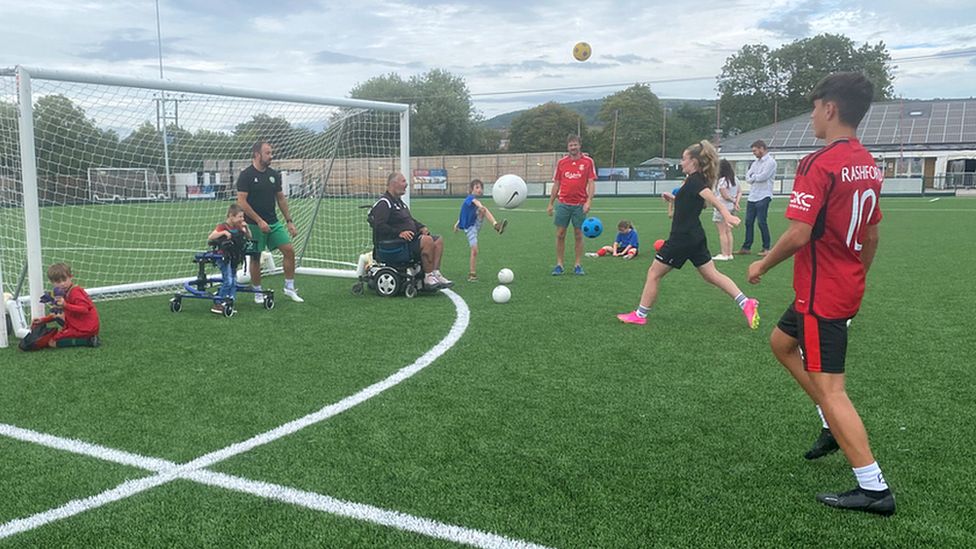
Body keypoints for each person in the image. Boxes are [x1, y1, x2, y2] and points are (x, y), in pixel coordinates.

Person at [747, 72, 894, 516]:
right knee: (781, 343)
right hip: (842, 284)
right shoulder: (868, 163)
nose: (811, 116)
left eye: (814, 107)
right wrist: (856, 278)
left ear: (830, 108)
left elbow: (798, 233)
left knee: (832, 388)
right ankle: (831, 424)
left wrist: (761, 264)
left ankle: (873, 488)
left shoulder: (819, 163)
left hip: (821, 291)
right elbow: (872, 236)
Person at [616, 140, 759, 329]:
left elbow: (712, 199)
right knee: (711, 275)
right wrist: (674, 199)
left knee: (654, 273)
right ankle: (746, 302)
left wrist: (726, 215)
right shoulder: (696, 180)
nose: (681, 162)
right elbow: (693, 203)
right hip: (695, 236)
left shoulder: (694, 181)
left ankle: (640, 315)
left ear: (694, 161)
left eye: (684, 159)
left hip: (682, 238)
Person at [236, 140, 303, 304]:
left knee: (289, 251)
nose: (271, 156)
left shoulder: (273, 175)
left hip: (273, 222)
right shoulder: (246, 175)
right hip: (253, 225)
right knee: (255, 258)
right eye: (267, 153)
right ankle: (258, 292)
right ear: (257, 154)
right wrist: (259, 221)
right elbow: (242, 202)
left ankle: (289, 287)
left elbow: (281, 198)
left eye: (271, 153)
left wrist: (289, 221)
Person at [370, 172, 452, 289]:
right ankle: (428, 277)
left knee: (438, 240)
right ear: (393, 184)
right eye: (403, 181)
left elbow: (409, 220)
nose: (406, 184)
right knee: (427, 241)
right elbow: (379, 225)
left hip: (407, 242)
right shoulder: (384, 203)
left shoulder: (399, 203)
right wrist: (399, 233)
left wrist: (421, 227)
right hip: (395, 245)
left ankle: (435, 273)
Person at [19, 263, 99, 350]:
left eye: (64, 280)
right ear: (52, 282)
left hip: (86, 327)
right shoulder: (62, 293)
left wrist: (65, 305)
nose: (62, 284)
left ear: (71, 277)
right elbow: (58, 313)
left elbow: (85, 309)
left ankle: (88, 341)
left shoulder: (75, 292)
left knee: (52, 343)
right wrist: (43, 320)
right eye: (58, 282)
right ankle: (75, 333)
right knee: (59, 319)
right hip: (78, 322)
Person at [547, 134, 596, 276]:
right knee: (560, 234)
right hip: (563, 203)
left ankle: (578, 265)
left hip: (580, 204)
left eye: (575, 144)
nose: (573, 147)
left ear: (580, 145)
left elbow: (591, 182)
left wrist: (589, 201)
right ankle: (559, 265)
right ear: (567, 147)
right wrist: (550, 203)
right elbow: (557, 183)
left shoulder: (588, 162)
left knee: (578, 235)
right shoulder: (562, 163)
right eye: (570, 145)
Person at [453, 178, 507, 282]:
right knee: (474, 251)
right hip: (470, 228)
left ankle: (496, 225)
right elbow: (473, 204)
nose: (480, 189)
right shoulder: (470, 198)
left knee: (483, 210)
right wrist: (457, 224)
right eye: (477, 187)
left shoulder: (473, 201)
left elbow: (464, 213)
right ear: (471, 189)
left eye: (481, 188)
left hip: (475, 223)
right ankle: (472, 274)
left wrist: (457, 224)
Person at [208, 203, 252, 315]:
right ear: (231, 216)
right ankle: (219, 303)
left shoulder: (239, 227)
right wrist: (223, 232)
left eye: (242, 217)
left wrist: (246, 228)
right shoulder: (223, 226)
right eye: (240, 217)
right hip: (224, 257)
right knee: (228, 280)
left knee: (233, 280)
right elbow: (211, 236)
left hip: (234, 257)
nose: (242, 219)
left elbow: (249, 237)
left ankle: (229, 302)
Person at [736, 139, 776, 256]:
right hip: (753, 196)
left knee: (761, 222)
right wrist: (753, 177)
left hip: (764, 195)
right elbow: (748, 177)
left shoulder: (771, 162)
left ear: (761, 148)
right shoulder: (755, 163)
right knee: (748, 222)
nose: (754, 153)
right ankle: (746, 247)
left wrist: (753, 177)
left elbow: (763, 176)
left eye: (755, 151)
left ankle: (766, 248)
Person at [712, 159, 741, 260]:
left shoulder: (722, 181)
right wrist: (736, 202)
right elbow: (739, 191)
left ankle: (724, 254)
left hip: (722, 207)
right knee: (728, 231)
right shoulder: (735, 179)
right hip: (731, 208)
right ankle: (729, 253)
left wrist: (733, 200)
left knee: (722, 232)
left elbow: (724, 195)